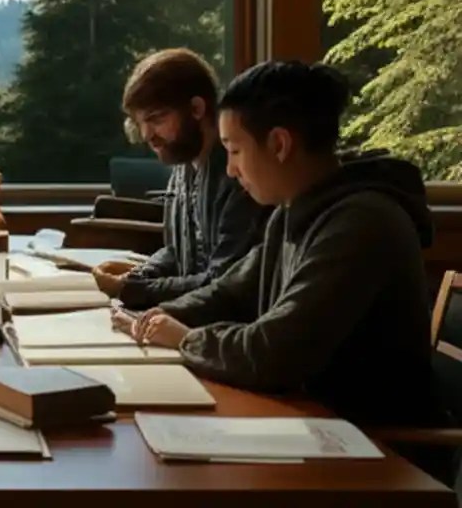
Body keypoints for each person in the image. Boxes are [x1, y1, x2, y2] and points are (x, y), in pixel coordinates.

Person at [118, 60, 444, 430]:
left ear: (279, 144)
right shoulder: (291, 213)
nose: (231, 170)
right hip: (311, 421)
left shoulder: (362, 224)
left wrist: (187, 339)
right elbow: (230, 292)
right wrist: (151, 317)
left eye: (235, 151)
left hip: (377, 445)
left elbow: (273, 353)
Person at [93, 48, 270, 308]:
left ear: (197, 108)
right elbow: (178, 252)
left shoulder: (240, 176)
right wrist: (139, 275)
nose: (147, 135)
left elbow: (222, 282)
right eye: (140, 123)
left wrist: (134, 290)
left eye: (156, 119)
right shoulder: (183, 163)